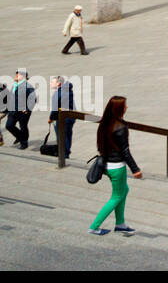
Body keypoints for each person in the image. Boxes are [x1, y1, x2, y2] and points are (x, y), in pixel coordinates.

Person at [88, 95, 141, 235]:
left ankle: (120, 224)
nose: (127, 107)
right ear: (119, 109)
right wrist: (135, 169)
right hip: (117, 166)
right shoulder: (121, 127)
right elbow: (125, 151)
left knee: (123, 190)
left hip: (107, 164)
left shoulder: (105, 123)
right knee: (117, 196)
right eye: (125, 105)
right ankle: (94, 226)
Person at [48, 76, 76, 156]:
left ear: (58, 83)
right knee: (67, 134)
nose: (50, 83)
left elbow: (55, 109)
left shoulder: (58, 93)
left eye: (52, 82)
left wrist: (51, 118)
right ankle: (66, 152)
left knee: (61, 136)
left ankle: (64, 154)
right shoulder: (67, 90)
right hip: (71, 116)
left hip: (63, 117)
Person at [5, 70, 33, 149]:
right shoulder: (14, 85)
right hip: (13, 111)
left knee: (23, 126)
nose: (15, 77)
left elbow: (32, 99)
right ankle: (20, 136)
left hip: (23, 111)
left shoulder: (28, 87)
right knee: (9, 125)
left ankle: (24, 143)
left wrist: (27, 109)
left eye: (17, 75)